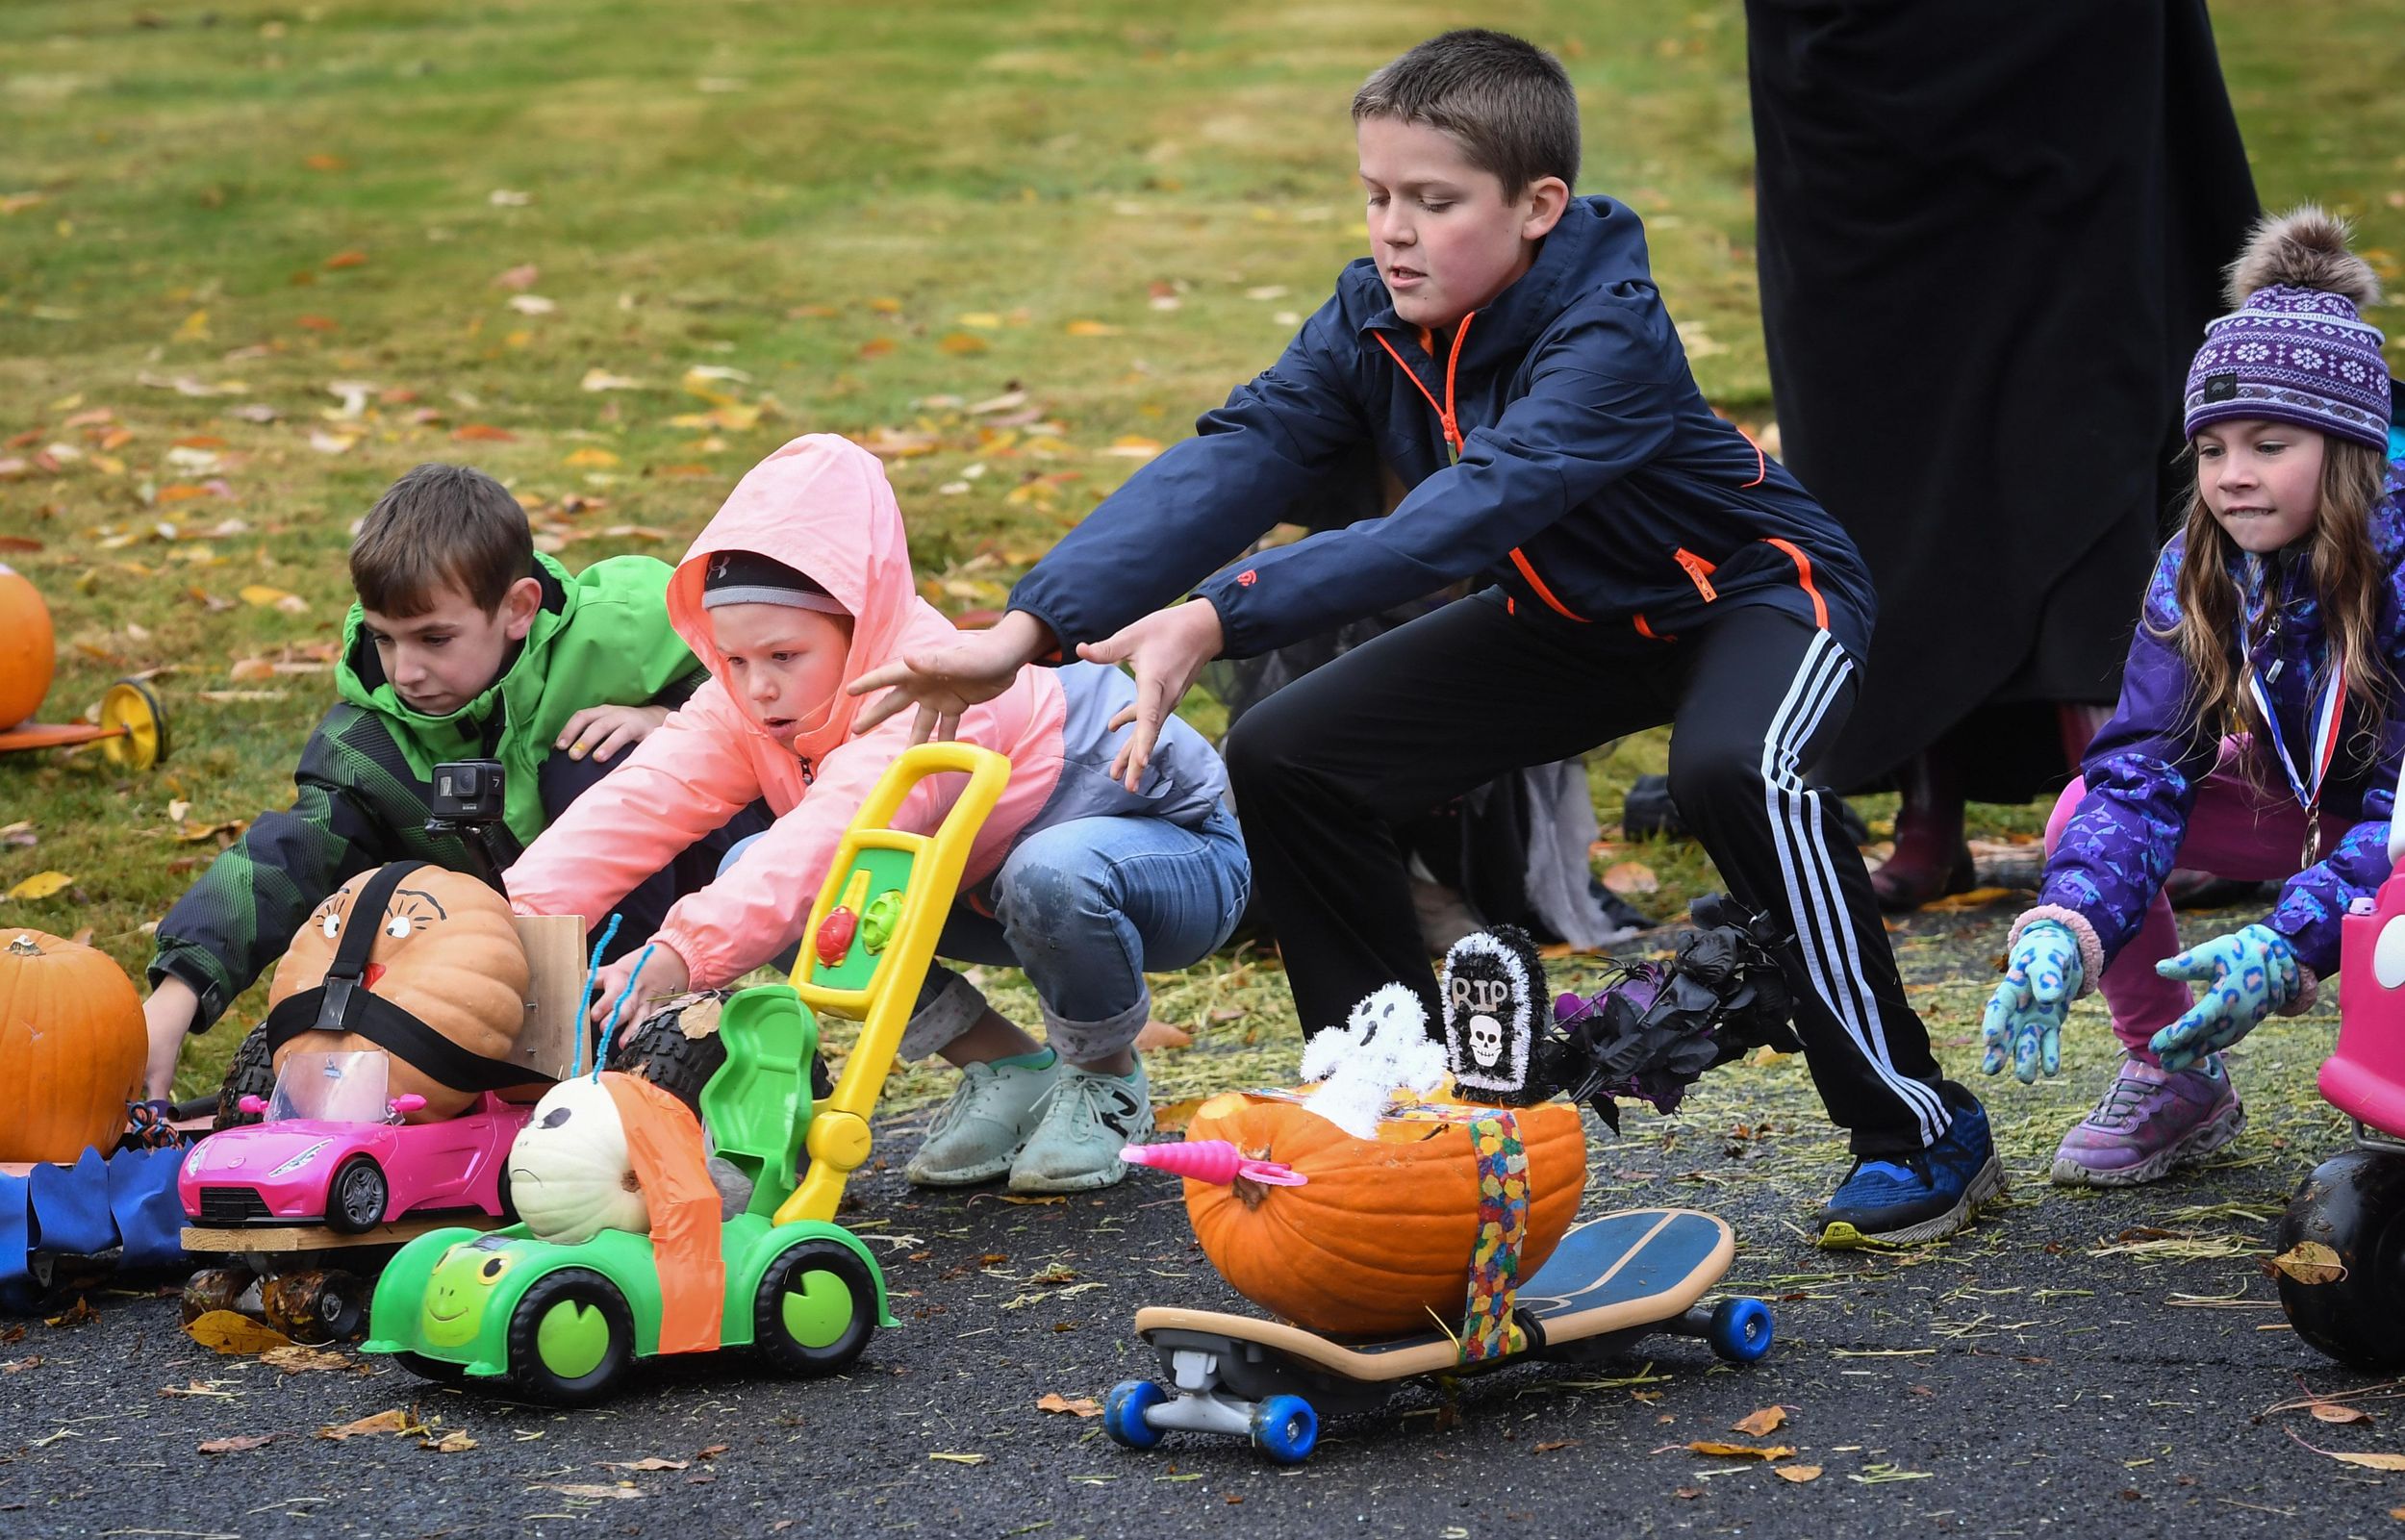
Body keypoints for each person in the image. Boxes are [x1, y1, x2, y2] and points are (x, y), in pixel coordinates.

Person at [852, 30, 1994, 1245]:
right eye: (1376, 195)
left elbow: (1466, 514)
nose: (1392, 230)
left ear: (1537, 206)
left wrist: (1218, 610)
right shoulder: (1376, 316)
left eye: (1433, 201)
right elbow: (1239, 456)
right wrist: (1025, 628)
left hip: (1758, 597)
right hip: (1569, 616)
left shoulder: (1604, 334)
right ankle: (1401, 1108)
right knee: (1292, 755)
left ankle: (1915, 1123)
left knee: (1735, 771)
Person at [506, 435, 1249, 1194]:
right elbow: (644, 799)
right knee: (753, 875)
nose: (756, 685)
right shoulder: (745, 705)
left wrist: (677, 953)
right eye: (733, 661)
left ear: (857, 625)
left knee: (1035, 871)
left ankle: (1105, 1079)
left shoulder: (932, 689)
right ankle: (1008, 1066)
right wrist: (507, 920)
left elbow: (831, 840)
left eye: (783, 656)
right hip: (986, 888)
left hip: (1173, 865)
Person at [1744, 0, 2261, 910]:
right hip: (1849, 63)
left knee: (2074, 375)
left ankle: (2133, 798)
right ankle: (1926, 796)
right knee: (1871, 397)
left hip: (2058, 42)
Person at [1984, 210, 2404, 1186]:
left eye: (2267, 443)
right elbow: (2139, 770)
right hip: (2310, 805)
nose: (2232, 478)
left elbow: (2400, 817)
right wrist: (2061, 924)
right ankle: (2173, 1069)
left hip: (2400, 819)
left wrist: (2288, 940)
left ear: (2346, 446)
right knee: (2086, 808)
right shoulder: (2196, 564)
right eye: (2210, 449)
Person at [141, 463, 724, 1099]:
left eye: (434, 638)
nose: (407, 671)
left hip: (674, 894)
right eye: (385, 639)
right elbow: (284, 857)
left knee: (592, 757)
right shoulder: (371, 743)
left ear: (518, 609)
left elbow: (762, 684)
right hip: (484, 967)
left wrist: (665, 718)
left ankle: (629, 1030)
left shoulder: (621, 635)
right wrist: (176, 996)